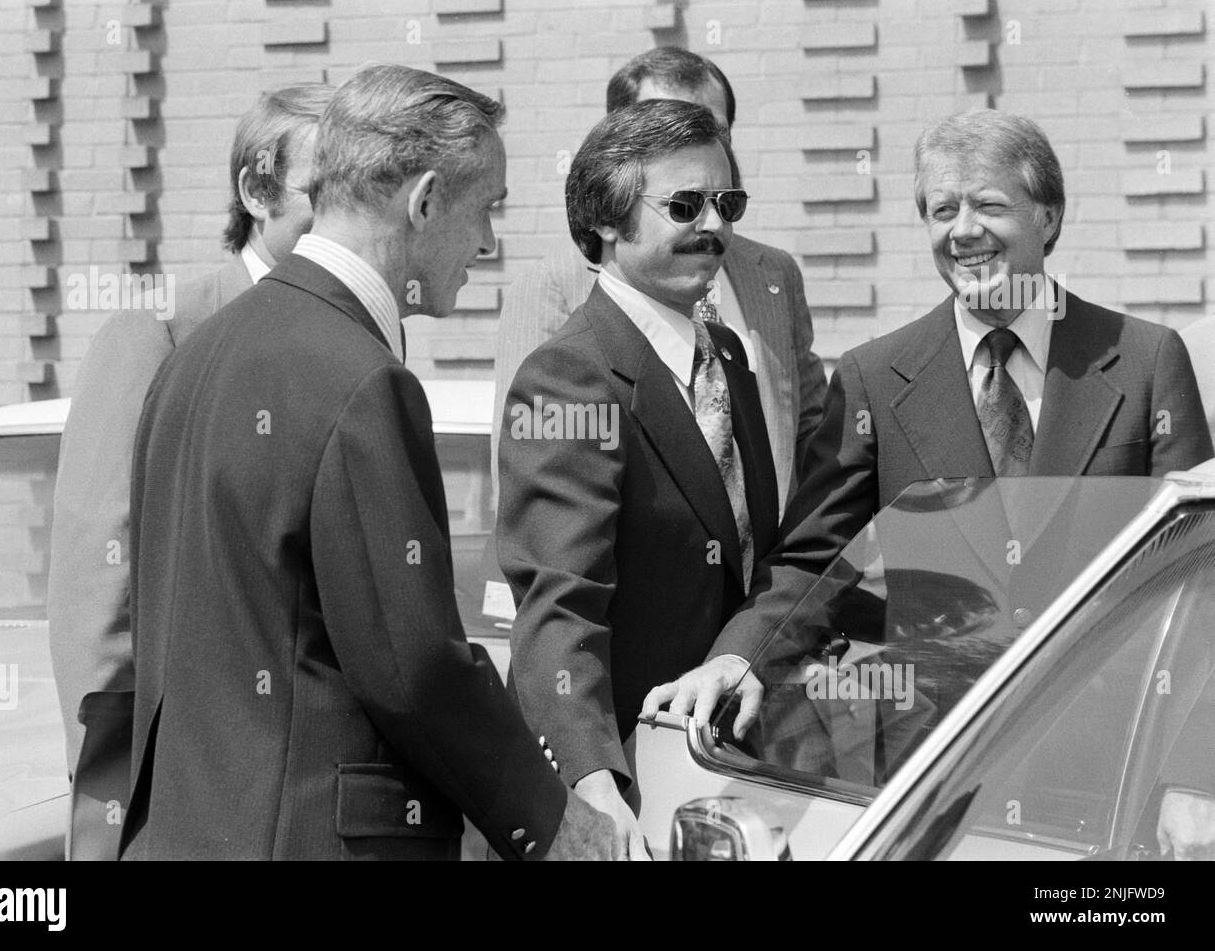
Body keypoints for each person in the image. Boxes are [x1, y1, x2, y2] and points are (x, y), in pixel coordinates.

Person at [119, 65, 621, 861]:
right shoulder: (363, 380)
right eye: (485, 208)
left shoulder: (197, 352)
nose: (488, 244)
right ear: (423, 200)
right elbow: (411, 665)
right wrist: (552, 821)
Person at [645, 108, 1213, 739]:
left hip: (1111, 744)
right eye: (943, 211)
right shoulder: (875, 378)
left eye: (989, 206)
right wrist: (738, 657)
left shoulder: (1146, 361)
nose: (964, 232)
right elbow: (814, 560)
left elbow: (1198, 580)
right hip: (938, 755)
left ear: (1048, 218)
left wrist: (1190, 772)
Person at [47, 83, 333, 860]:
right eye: (325, 190)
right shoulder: (160, 332)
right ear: (257, 191)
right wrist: (113, 806)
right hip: (184, 810)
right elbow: (100, 598)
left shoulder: (360, 343)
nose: (348, 216)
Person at [498, 100, 779, 860]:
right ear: (606, 221)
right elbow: (559, 602)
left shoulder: (726, 356)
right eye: (685, 205)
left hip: (729, 782)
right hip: (629, 799)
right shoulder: (566, 376)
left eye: (729, 204)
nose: (714, 226)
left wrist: (741, 654)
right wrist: (592, 782)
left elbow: (760, 562)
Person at [492, 46, 824, 509]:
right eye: (667, 128)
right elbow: (533, 486)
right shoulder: (550, 287)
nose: (699, 144)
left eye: (715, 131)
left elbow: (812, 433)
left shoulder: (774, 273)